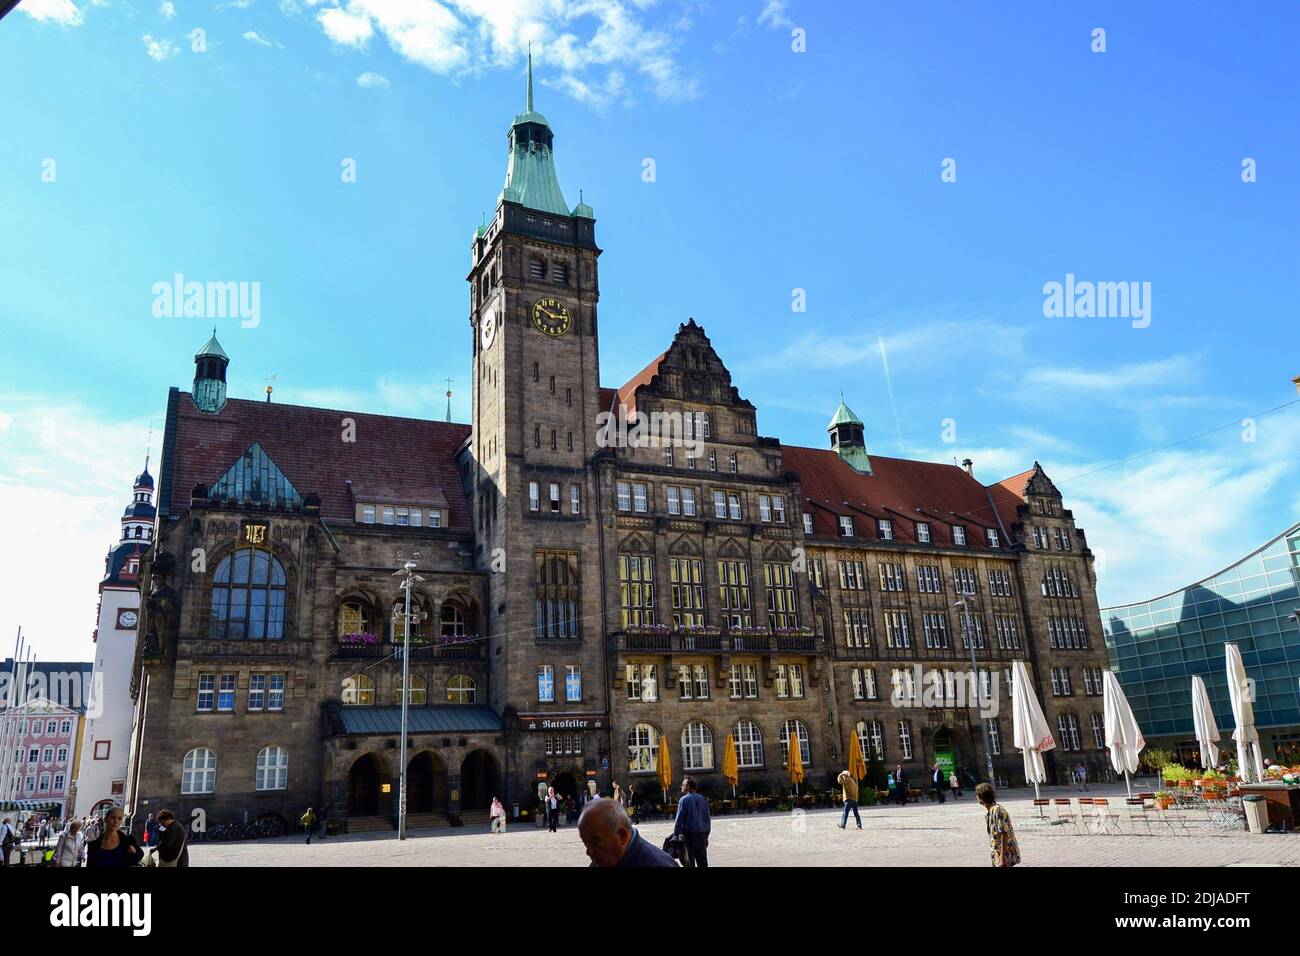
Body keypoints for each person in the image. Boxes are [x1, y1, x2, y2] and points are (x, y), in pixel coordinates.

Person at [578, 798, 676, 868]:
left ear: (622, 836)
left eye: (595, 842)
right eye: (585, 843)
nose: (589, 852)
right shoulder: (602, 861)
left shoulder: (658, 864)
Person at [976, 782, 1020, 868]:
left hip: (1004, 854)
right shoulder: (990, 812)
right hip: (997, 854)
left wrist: (1002, 858)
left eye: (977, 795)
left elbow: (1004, 834)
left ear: (982, 796)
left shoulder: (997, 810)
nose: (976, 797)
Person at [673, 776, 711, 867]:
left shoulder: (684, 800)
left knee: (690, 861)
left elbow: (679, 820)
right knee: (703, 861)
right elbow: (707, 818)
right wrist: (706, 834)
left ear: (688, 786)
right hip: (702, 834)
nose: (681, 786)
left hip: (690, 835)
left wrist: (675, 835)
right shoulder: (702, 799)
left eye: (683, 785)